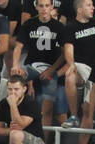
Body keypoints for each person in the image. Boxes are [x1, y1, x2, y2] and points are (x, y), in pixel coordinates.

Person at [11, 0, 68, 135]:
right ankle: (13, 109)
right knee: (16, 77)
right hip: (33, 67)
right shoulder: (29, 24)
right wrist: (15, 65)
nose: (44, 9)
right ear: (36, 7)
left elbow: (64, 54)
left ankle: (42, 141)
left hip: (51, 69)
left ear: (52, 7)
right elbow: (18, 47)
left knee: (46, 108)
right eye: (41, 6)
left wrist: (52, 69)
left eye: (47, 6)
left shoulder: (59, 27)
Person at [0, 71, 45, 144]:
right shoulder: (3, 103)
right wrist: (10, 130)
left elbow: (20, 125)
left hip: (36, 142)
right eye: (10, 89)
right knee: (13, 134)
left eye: (16, 89)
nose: (13, 93)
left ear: (24, 89)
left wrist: (13, 105)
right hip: (12, 139)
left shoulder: (31, 103)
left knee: (16, 135)